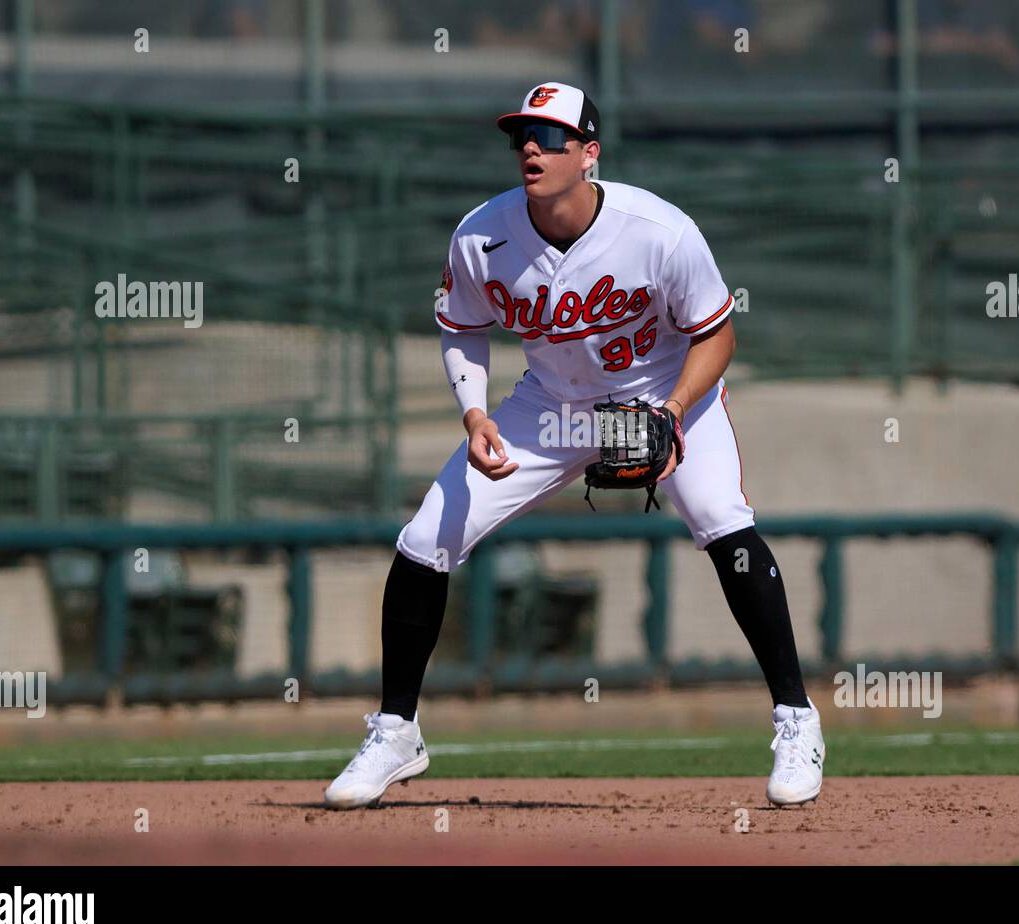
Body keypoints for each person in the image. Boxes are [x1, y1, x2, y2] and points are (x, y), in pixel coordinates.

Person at [324, 82, 824, 810]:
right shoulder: (481, 235)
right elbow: (461, 325)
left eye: (551, 137)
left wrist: (674, 412)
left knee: (724, 523)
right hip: (549, 406)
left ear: (589, 154)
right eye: (522, 135)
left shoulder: (659, 230)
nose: (531, 147)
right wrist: (473, 414)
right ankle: (397, 731)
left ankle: (795, 719)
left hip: (661, 391)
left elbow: (717, 334)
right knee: (423, 539)